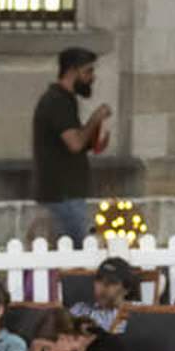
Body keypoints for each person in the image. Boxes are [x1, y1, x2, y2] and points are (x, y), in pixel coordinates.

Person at [32, 46, 109, 242]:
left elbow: (70, 143)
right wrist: (95, 118)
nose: (92, 77)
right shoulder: (57, 101)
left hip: (66, 193)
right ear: (72, 71)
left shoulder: (65, 100)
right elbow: (74, 143)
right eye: (88, 71)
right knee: (75, 254)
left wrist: (93, 142)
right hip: (63, 194)